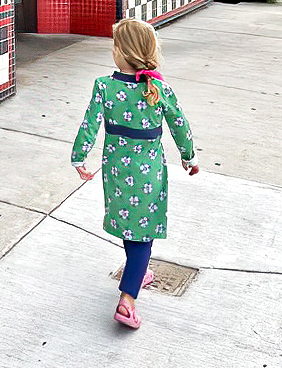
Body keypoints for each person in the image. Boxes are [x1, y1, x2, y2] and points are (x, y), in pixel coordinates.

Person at [71, 17, 199, 329]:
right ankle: (127, 302)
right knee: (143, 232)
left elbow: (90, 124)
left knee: (131, 225)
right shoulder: (160, 89)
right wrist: (189, 156)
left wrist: (79, 157)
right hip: (149, 173)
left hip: (116, 170)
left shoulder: (105, 86)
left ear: (122, 53)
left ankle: (137, 274)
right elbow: (179, 125)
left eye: (115, 46)